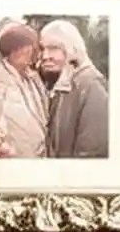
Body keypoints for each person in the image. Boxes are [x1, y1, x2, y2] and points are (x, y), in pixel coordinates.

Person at [0, 20, 49, 158]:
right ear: (9, 51)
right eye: (21, 46)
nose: (28, 50)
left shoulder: (35, 80)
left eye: (30, 45)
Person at [37, 19, 109, 159]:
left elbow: (91, 153)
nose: (45, 56)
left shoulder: (91, 86)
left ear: (72, 49)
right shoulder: (61, 85)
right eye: (42, 49)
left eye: (53, 48)